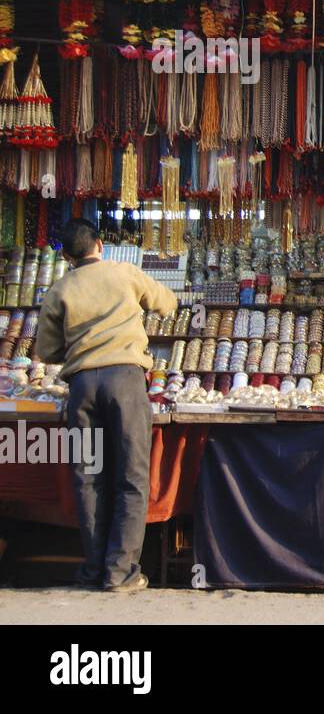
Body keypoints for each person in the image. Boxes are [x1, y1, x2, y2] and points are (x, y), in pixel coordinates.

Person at [34, 219, 178, 592]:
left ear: (67, 256)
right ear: (100, 244)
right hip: (125, 383)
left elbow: (46, 350)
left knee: (89, 478)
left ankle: (94, 569)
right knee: (131, 477)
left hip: (82, 388)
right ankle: (121, 572)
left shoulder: (59, 289)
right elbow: (167, 302)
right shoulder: (124, 272)